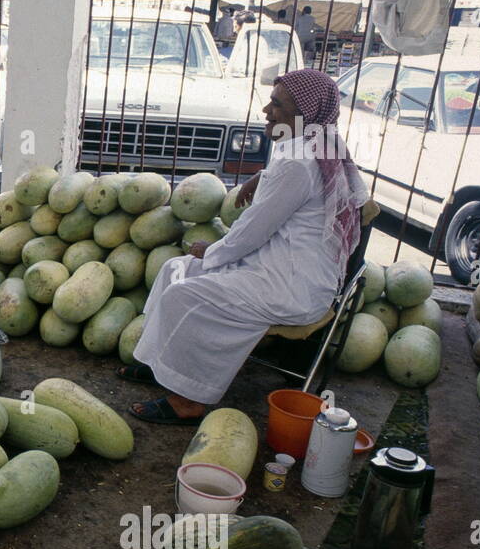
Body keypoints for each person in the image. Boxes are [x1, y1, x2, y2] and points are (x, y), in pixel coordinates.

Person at [121, 68, 369, 424]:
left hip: (293, 285)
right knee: (174, 270)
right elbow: (290, 187)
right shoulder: (314, 145)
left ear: (303, 113)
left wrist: (213, 252)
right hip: (282, 266)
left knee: (185, 295)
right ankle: (162, 367)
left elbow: (254, 230)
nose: (267, 111)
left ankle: (188, 401)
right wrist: (262, 176)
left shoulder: (300, 162)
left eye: (277, 104)